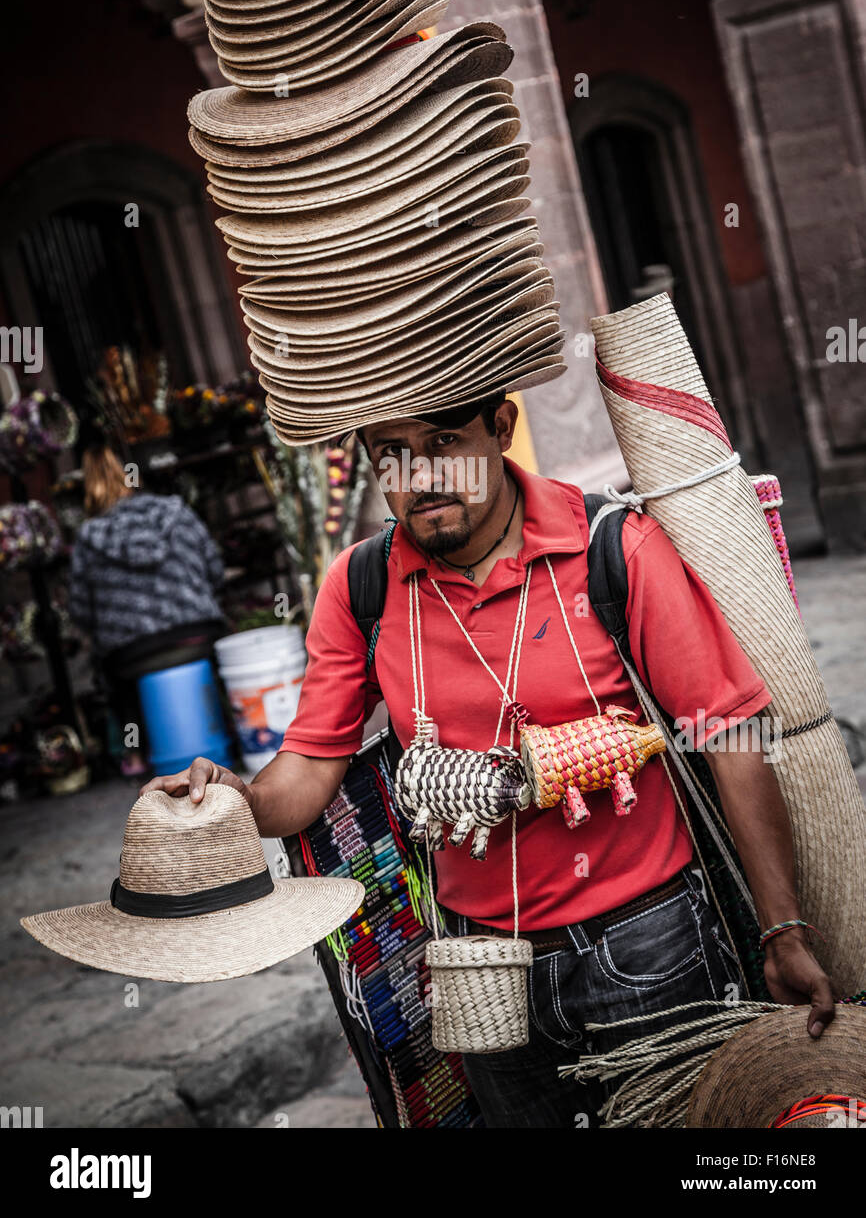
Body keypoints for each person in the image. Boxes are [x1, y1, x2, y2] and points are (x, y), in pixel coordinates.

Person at [143, 393, 835, 1128]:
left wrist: (781, 932)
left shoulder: (612, 546)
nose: (420, 475)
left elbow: (729, 738)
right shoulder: (362, 588)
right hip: (480, 969)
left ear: (501, 429)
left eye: (443, 441)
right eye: (392, 453)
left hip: (652, 946)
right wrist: (234, 802)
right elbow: (310, 766)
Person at [69, 444, 225, 775]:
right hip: (197, 634)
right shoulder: (177, 511)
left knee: (113, 677)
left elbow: (81, 611)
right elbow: (215, 571)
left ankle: (137, 755)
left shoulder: (88, 537)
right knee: (222, 654)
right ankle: (228, 735)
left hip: (132, 653)